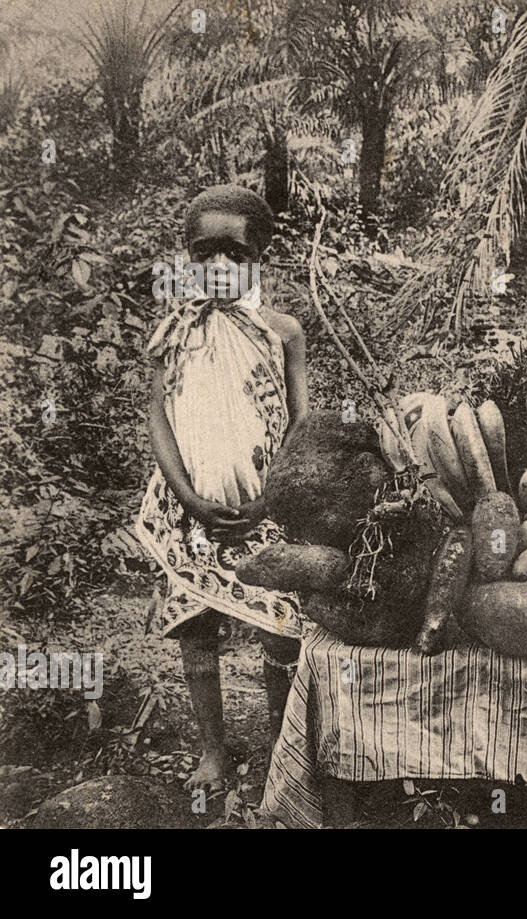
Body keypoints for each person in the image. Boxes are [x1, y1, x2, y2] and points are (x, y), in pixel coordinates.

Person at [134, 185, 308, 791]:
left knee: (279, 627)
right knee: (196, 628)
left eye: (234, 254)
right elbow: (158, 417)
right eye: (205, 255)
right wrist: (185, 495)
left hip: (263, 507)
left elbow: (300, 425)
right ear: (189, 261)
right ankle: (214, 750)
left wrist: (270, 499)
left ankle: (280, 753)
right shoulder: (172, 334)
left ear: (258, 256)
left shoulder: (282, 330)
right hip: (190, 510)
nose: (219, 268)